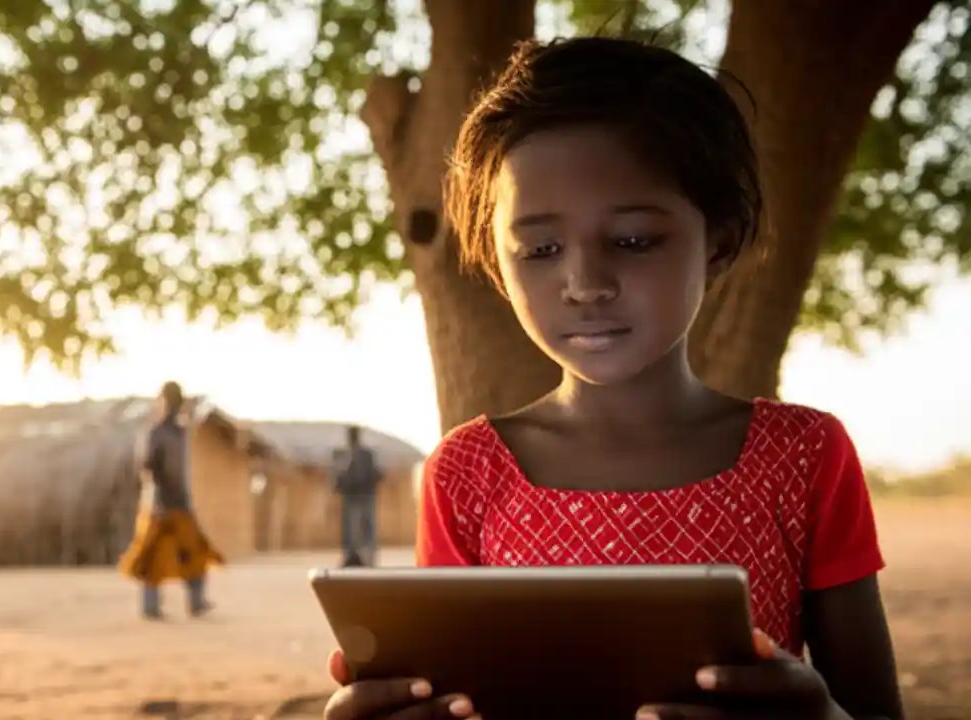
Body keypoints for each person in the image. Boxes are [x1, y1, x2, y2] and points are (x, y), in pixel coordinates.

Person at [324, 36, 902, 720]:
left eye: (632, 240)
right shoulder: (469, 473)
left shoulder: (804, 455)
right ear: (498, 264)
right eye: (540, 249)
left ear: (717, 239)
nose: (584, 284)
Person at [118, 382, 223, 619]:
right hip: (158, 504)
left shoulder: (181, 432)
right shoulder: (155, 433)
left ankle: (197, 602)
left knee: (195, 552)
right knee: (151, 556)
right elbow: (147, 465)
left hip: (181, 503)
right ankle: (150, 606)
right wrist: (161, 494)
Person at [334, 425, 383, 567]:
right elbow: (337, 476)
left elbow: (375, 474)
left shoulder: (365, 455)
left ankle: (367, 557)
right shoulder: (342, 454)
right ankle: (351, 557)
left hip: (364, 495)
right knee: (350, 529)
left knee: (365, 527)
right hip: (350, 496)